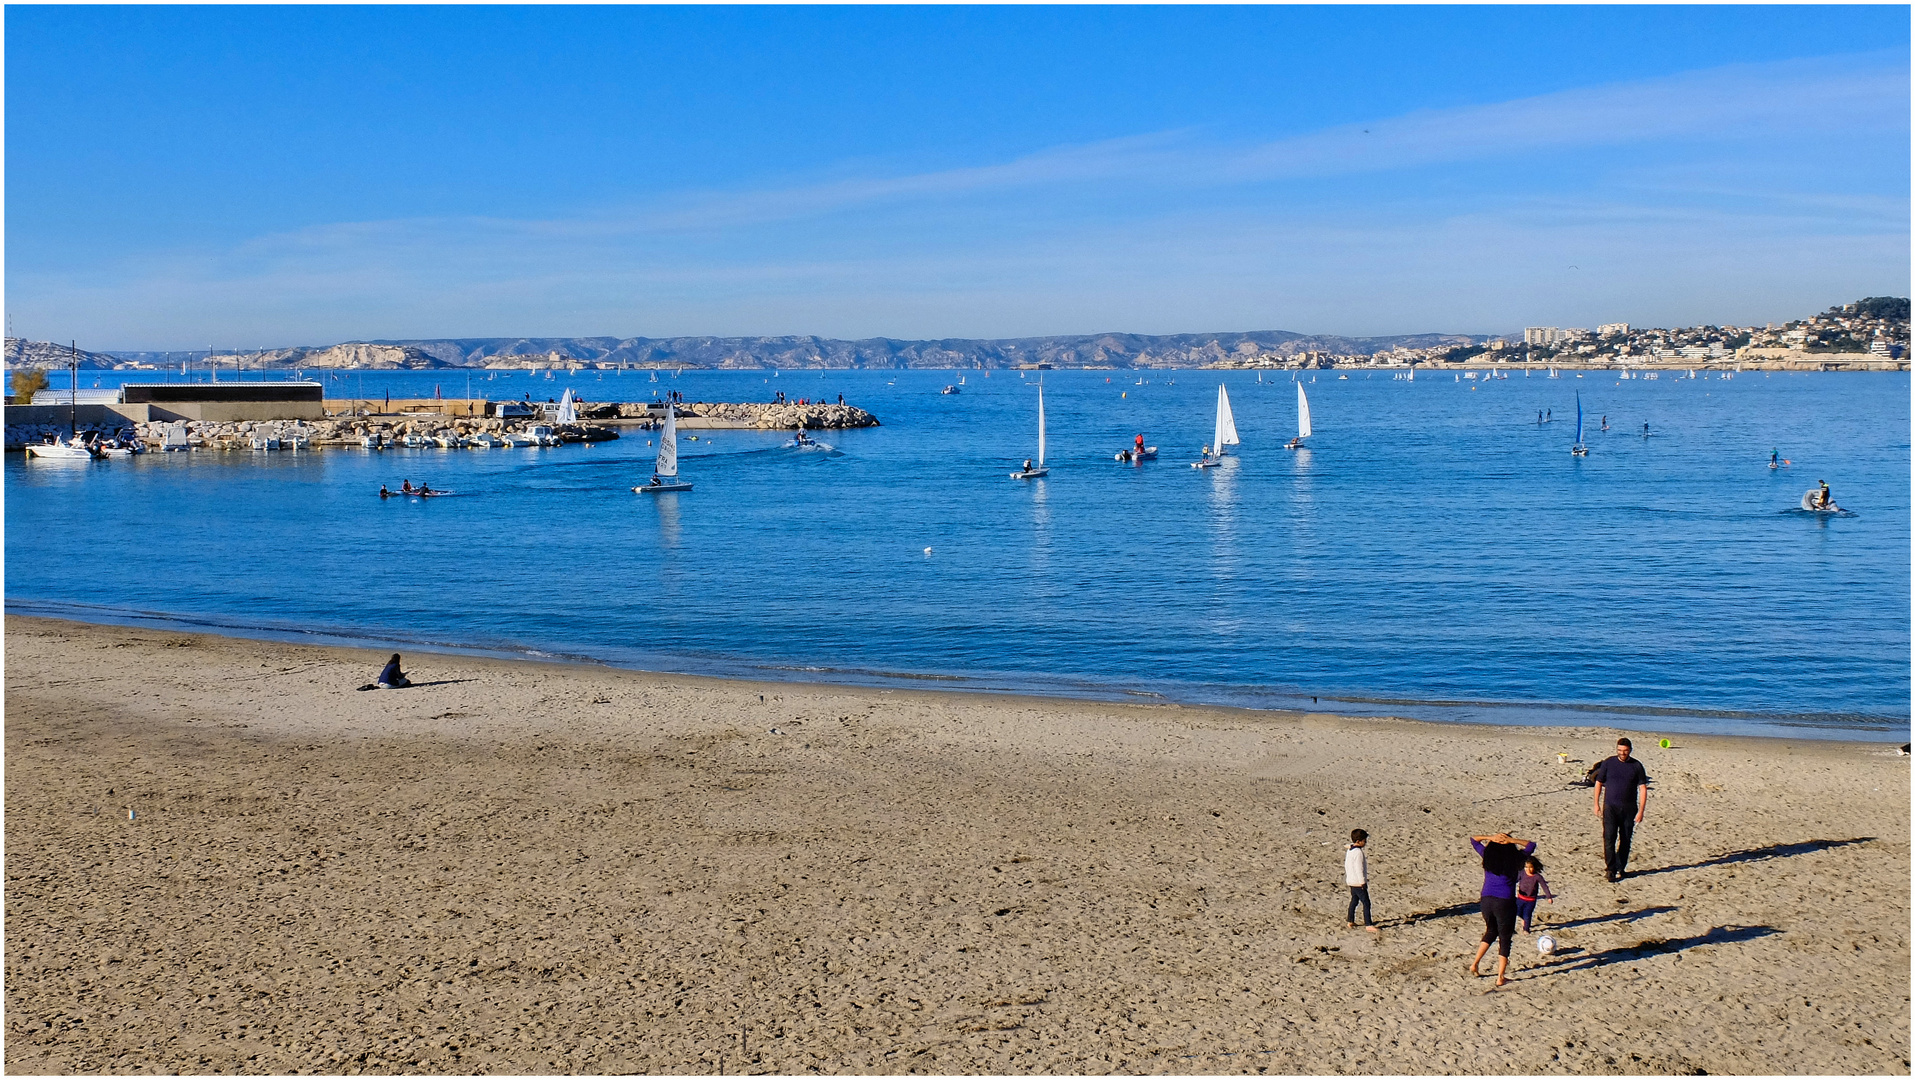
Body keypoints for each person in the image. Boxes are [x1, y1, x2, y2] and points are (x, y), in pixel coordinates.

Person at [1468, 831, 1534, 987]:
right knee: (1505, 938)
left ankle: (1475, 963)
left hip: (1486, 899)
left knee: (1491, 931)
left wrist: (1490, 838)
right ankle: (1500, 977)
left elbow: (1473, 839)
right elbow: (1532, 845)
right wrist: (1511, 840)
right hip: (1504, 901)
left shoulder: (1488, 855)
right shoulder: (1515, 858)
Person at [1592, 738, 1649, 881]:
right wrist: (1596, 804)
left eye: (1625, 751)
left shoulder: (1636, 766)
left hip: (1629, 809)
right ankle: (1610, 869)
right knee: (1609, 838)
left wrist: (1641, 810)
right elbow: (1598, 782)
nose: (1622, 753)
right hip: (1610, 807)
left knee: (1625, 839)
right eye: (1619, 751)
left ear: (1630, 750)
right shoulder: (1608, 763)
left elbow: (1642, 788)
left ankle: (1621, 867)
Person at [1345, 829, 1378, 932]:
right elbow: (1359, 869)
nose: (1365, 842)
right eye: (1364, 840)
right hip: (1358, 882)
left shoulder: (1350, 850)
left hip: (1351, 881)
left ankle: (1350, 920)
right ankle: (1368, 924)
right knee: (1366, 902)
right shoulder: (1358, 853)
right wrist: (1363, 882)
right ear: (1359, 841)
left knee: (1354, 901)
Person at [1515, 856, 1554, 933]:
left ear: (1534, 867)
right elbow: (1515, 880)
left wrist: (1549, 897)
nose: (1528, 869)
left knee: (1527, 914)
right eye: (1526, 867)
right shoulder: (1522, 873)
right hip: (1520, 898)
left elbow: (1544, 886)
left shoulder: (1537, 877)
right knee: (1517, 911)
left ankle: (1526, 929)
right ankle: (1524, 920)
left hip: (1531, 900)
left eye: (1530, 867)